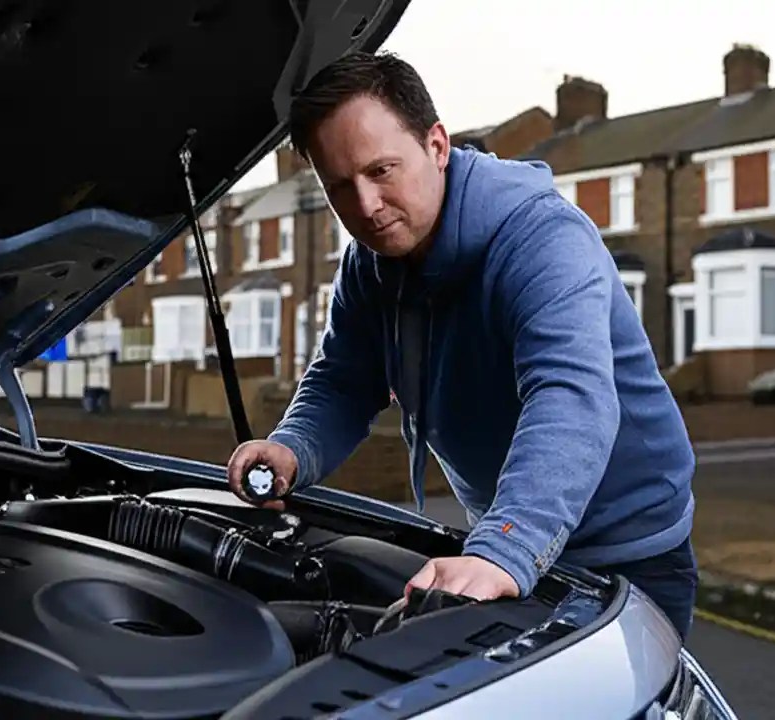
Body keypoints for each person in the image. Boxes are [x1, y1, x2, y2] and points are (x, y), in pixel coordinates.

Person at [225, 51, 698, 639]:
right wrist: (292, 447)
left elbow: (569, 396)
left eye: (381, 171)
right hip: (503, 536)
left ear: (438, 146)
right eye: (341, 186)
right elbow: (346, 381)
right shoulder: (369, 263)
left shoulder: (543, 238)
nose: (366, 207)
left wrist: (504, 547)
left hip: (626, 551)